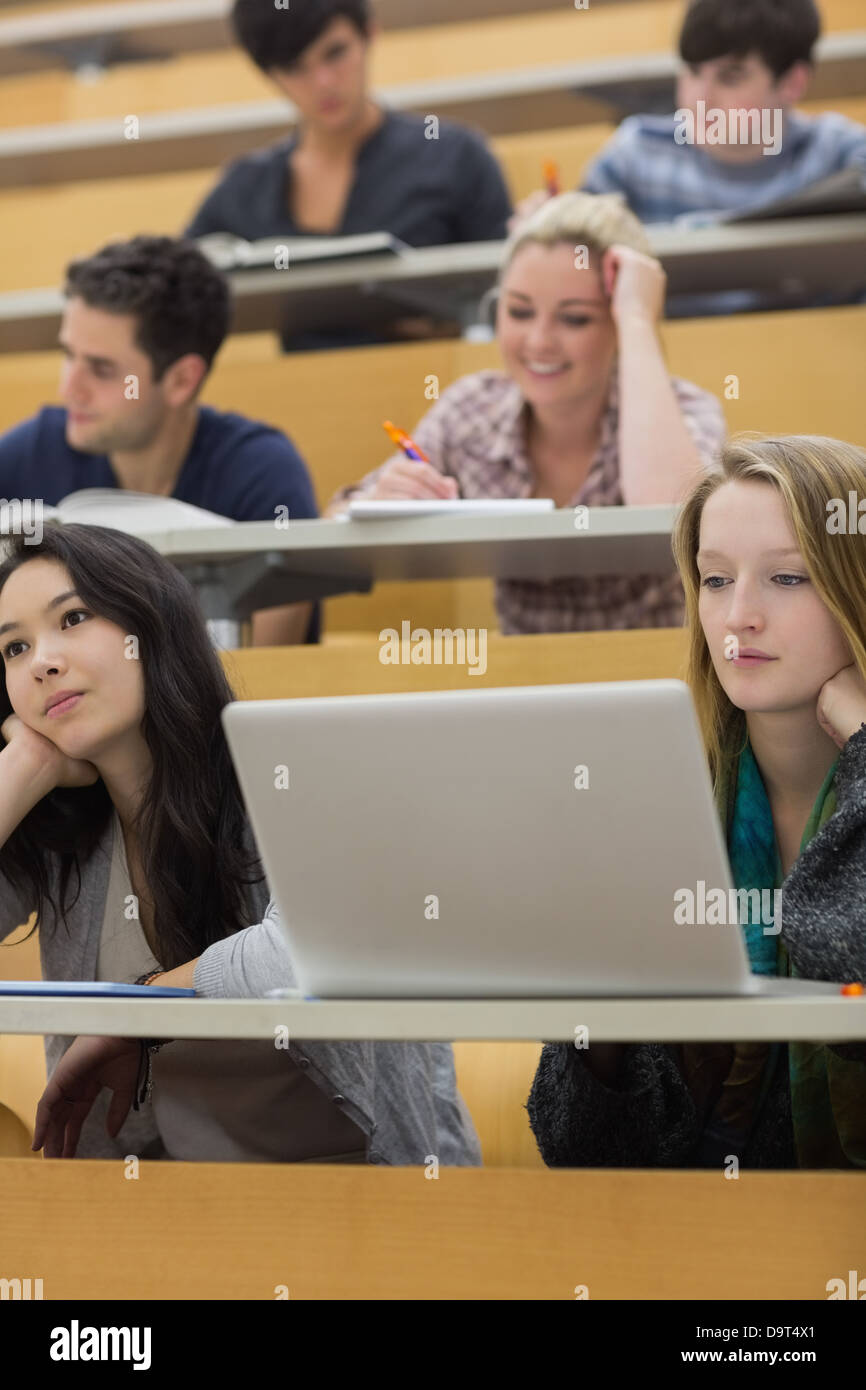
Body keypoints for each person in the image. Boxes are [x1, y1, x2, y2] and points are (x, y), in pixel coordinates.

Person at [0, 524, 480, 1166]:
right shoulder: (60, 833)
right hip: (163, 1209)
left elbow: (309, 954)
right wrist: (22, 767)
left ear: (153, 628)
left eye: (75, 617)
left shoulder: (296, 774)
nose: (41, 662)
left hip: (363, 1196)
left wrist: (138, 1012)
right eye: (14, 648)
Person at [527, 434, 866, 1168]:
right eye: (716, 580)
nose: (738, 616)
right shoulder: (660, 806)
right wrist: (603, 1017)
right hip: (689, 1241)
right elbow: (575, 1145)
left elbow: (845, 950)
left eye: (787, 578)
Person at [326, 192, 726, 635]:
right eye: (518, 311)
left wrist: (636, 317)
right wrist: (374, 500)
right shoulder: (472, 410)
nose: (538, 342)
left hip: (663, 680)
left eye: (575, 319)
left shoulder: (685, 409)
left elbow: (668, 514)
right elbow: (334, 521)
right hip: (527, 680)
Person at [0, 236, 319, 646]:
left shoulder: (263, 474)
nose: (69, 389)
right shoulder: (31, 454)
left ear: (181, 380)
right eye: (68, 356)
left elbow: (262, 675)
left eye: (101, 369)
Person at [185, 0, 513, 348]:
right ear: (270, 74)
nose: (323, 82)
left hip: (437, 388)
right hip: (306, 395)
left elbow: (512, 296)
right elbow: (172, 296)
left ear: (369, 34)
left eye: (335, 53)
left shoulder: (456, 157)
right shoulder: (243, 189)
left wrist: (452, 324)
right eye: (295, 67)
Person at [516, 0, 866, 314]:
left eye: (731, 77)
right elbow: (575, 268)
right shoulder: (635, 154)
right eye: (692, 72)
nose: (702, 98)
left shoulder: (839, 152)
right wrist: (548, 235)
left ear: (792, 83)